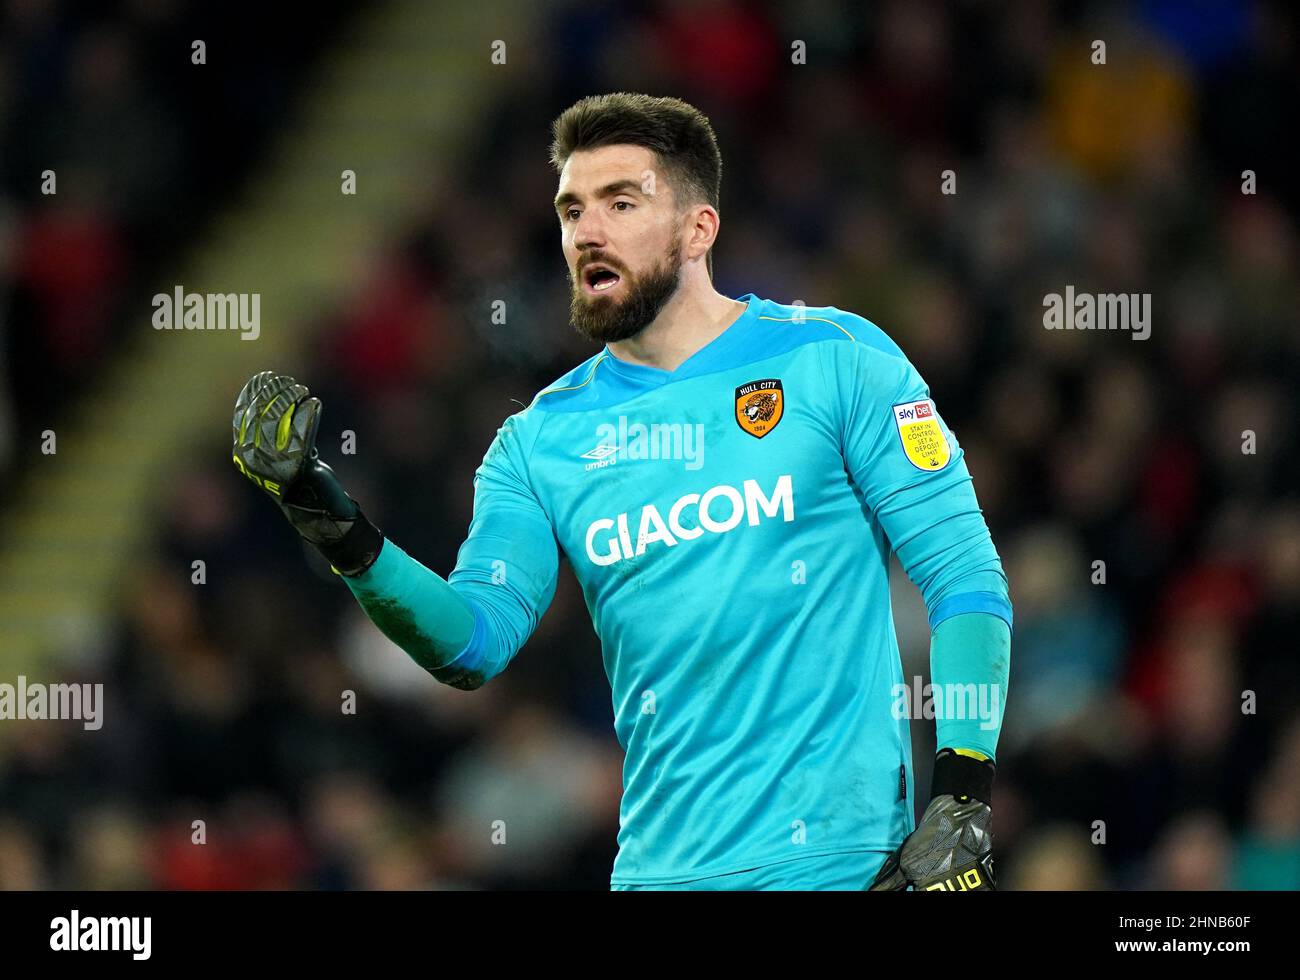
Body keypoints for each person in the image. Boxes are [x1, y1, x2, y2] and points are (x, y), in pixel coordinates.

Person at [232, 92, 1011, 891]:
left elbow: (965, 580)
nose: (586, 232)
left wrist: (961, 797)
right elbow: (471, 642)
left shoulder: (836, 359)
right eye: (571, 211)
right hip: (657, 875)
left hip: (845, 867)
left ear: (698, 229)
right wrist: (326, 514)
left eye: (620, 203)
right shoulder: (538, 444)